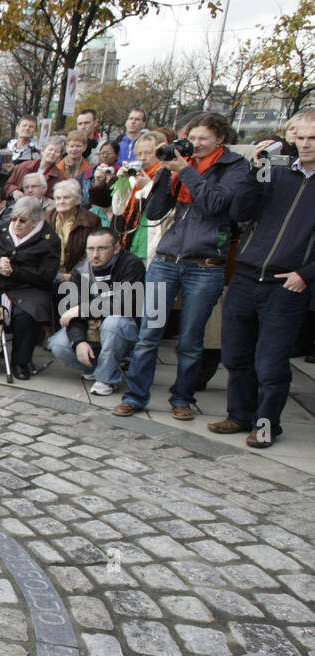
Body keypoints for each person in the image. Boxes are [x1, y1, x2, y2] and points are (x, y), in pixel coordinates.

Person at [114, 112, 250, 421]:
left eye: (204, 138)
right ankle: (135, 395)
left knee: (191, 339)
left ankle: (182, 398)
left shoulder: (233, 166)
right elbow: (156, 212)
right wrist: (165, 172)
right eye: (192, 137)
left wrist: (185, 170)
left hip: (205, 263)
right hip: (166, 259)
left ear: (220, 138)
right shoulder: (178, 164)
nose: (197, 144)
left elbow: (216, 204)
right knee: (149, 333)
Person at [210, 109, 315, 448]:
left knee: (270, 363)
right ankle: (239, 415)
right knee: (235, 355)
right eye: (300, 137)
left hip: (286, 283)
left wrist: (305, 274)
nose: (306, 144)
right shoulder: (277, 170)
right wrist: (255, 170)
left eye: (313, 138)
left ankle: (267, 425)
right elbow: (241, 212)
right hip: (247, 273)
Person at [46, 226, 146, 394]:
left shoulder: (131, 264)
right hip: (92, 329)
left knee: (113, 323)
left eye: (102, 248)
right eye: (91, 249)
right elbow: (73, 312)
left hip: (126, 329)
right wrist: (79, 342)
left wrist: (82, 309)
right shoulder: (81, 270)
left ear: (116, 248)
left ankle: (106, 379)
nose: (95, 254)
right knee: (58, 344)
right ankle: (98, 368)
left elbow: (125, 303)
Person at [0, 195, 61, 379]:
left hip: (30, 287)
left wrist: (14, 270)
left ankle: (20, 361)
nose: (17, 224)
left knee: (26, 315)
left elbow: (46, 275)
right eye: (14, 219)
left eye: (23, 220)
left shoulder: (49, 239)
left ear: (36, 221)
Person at [108, 131, 166, 261]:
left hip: (151, 244)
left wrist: (148, 186)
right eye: (139, 154)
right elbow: (118, 209)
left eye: (148, 153)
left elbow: (163, 205)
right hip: (131, 241)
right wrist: (122, 182)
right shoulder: (135, 176)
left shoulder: (167, 175)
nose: (143, 158)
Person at [46, 179, 101, 278]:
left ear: (77, 200)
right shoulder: (46, 218)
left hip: (78, 275)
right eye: (58, 198)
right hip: (49, 274)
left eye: (66, 198)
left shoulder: (91, 220)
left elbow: (91, 252)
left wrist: (73, 275)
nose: (61, 202)